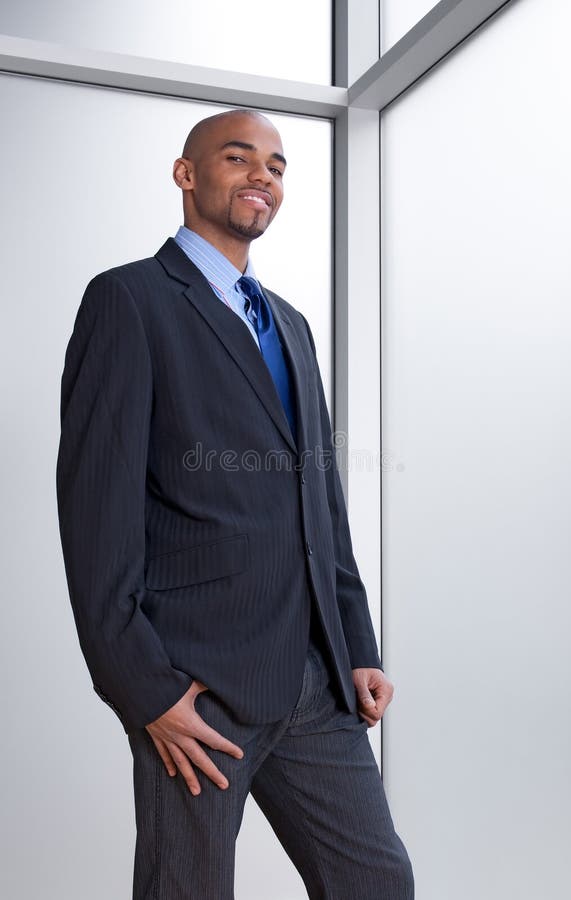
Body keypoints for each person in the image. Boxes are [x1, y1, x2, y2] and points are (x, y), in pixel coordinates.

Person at [56, 108, 414, 900]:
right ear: (187, 175)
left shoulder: (290, 325)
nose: (263, 176)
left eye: (278, 166)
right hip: (196, 688)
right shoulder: (129, 302)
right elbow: (94, 516)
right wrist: (145, 690)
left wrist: (356, 644)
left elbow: (320, 502)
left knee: (378, 882)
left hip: (314, 683)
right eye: (239, 156)